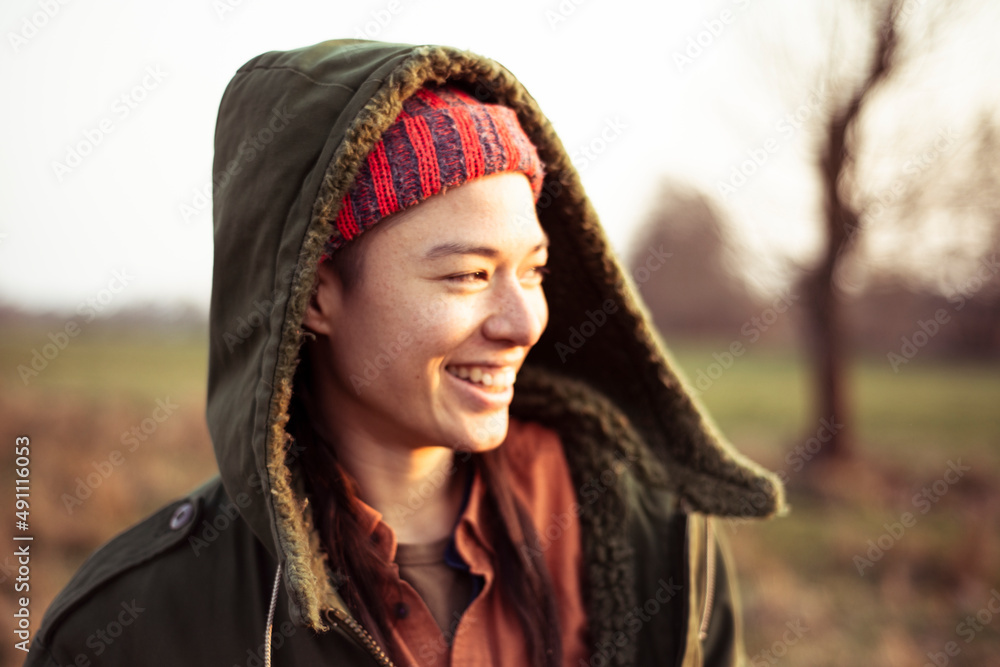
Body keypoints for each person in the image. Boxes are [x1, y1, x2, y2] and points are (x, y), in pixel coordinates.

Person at [27, 39, 785, 666]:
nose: (523, 321)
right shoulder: (136, 625)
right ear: (315, 295)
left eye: (534, 270)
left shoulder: (655, 536)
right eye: (467, 275)